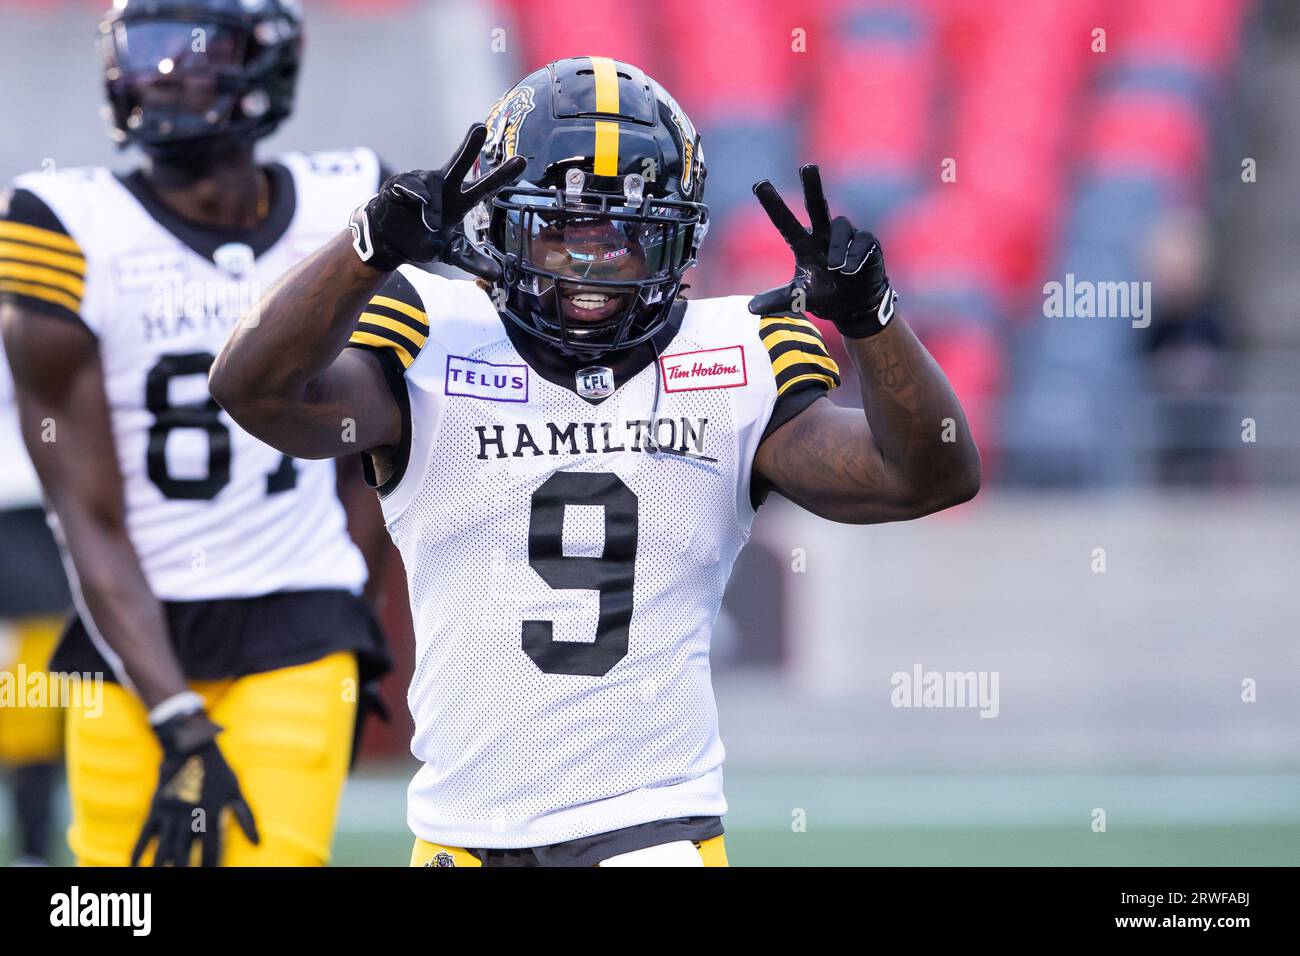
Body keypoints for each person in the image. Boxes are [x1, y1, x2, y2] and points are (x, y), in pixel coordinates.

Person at [211, 57, 980, 867]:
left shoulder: (736, 352)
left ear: (678, 239)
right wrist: (366, 249)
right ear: (501, 223)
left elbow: (929, 474)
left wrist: (871, 318)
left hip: (648, 831)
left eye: (626, 237)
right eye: (564, 229)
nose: (591, 266)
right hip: (457, 836)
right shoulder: (432, 329)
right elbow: (254, 392)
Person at [0, 0, 390, 867]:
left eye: (195, 49)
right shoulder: (62, 220)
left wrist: (347, 603)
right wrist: (176, 715)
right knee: (113, 901)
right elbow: (84, 514)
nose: (166, 71)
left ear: (265, 64)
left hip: (300, 622)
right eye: (147, 47)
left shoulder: (346, 201)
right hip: (128, 637)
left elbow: (388, 446)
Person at [0, 341, 70, 866]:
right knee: (29, 692)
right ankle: (33, 844)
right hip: (26, 511)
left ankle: (34, 843)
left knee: (36, 689)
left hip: (45, 507)